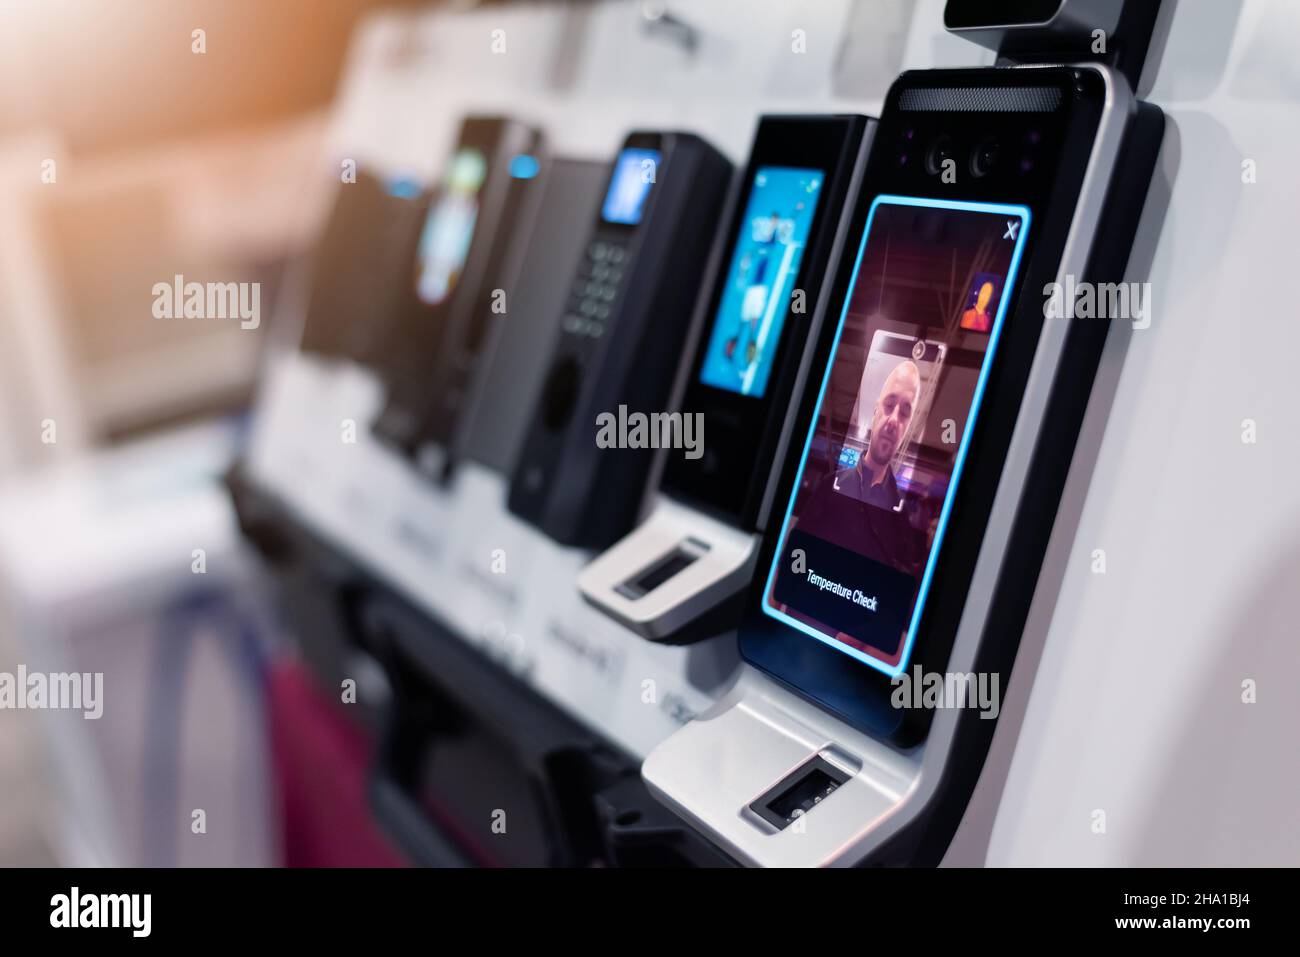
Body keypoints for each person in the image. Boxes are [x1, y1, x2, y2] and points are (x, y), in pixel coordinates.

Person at [792, 359, 926, 574]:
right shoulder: (831, 485)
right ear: (875, 411)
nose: (893, 420)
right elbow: (793, 554)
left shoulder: (900, 520)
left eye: (904, 413)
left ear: (908, 427)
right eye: (889, 405)